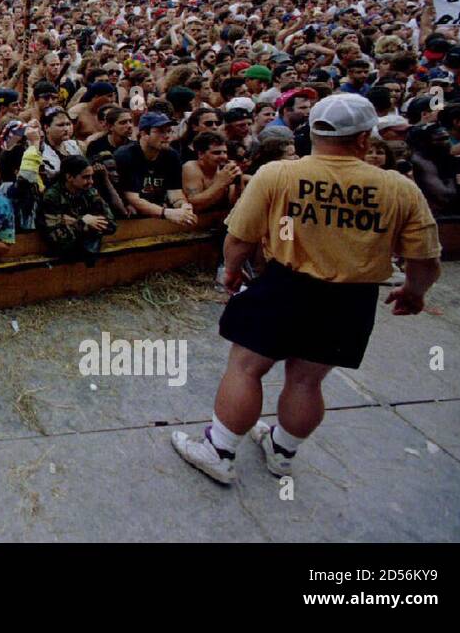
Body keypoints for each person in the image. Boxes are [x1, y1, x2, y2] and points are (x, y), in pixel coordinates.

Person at [172, 94, 442, 485]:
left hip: (286, 286)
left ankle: (219, 450)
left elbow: (239, 236)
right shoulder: (398, 188)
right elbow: (426, 261)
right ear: (365, 138)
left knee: (246, 369)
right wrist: (415, 293)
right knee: (307, 380)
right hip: (352, 298)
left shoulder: (278, 174)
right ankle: (282, 452)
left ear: (312, 130)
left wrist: (230, 271)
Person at [113, 112, 196, 225]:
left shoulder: (171, 155)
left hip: (159, 213)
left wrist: (183, 206)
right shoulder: (125, 155)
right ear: (144, 134)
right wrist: (167, 213)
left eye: (168, 131)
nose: (167, 136)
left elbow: (175, 192)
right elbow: (132, 198)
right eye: (160, 131)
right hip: (129, 218)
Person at [36, 155, 117, 262]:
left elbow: (111, 225)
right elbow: (58, 238)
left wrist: (76, 221)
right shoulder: (52, 197)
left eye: (91, 177)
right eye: (85, 177)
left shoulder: (90, 192)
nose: (91, 182)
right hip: (61, 254)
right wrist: (84, 222)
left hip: (88, 248)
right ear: (69, 177)